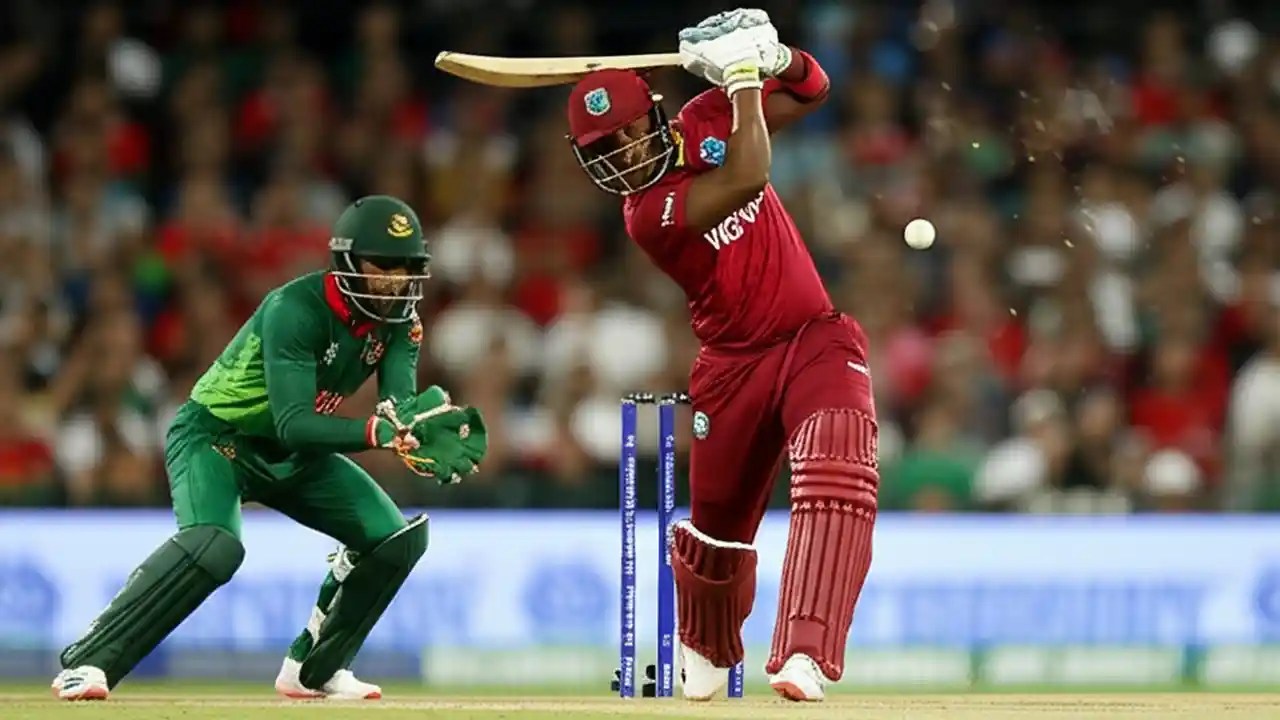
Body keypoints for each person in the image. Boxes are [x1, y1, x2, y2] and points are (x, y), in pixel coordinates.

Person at [51, 195, 487, 701]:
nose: (395, 280)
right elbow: (294, 424)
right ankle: (88, 662)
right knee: (215, 548)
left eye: (407, 268)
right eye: (382, 266)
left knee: (397, 539)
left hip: (293, 454)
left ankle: (314, 669)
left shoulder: (401, 321)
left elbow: (395, 405)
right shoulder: (294, 309)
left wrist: (411, 428)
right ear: (346, 263)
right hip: (216, 437)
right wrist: (376, 434)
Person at [566, 9, 876, 702]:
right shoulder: (646, 214)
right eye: (603, 152)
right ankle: (704, 645)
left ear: (653, 117)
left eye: (626, 137)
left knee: (838, 467)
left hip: (812, 337)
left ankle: (804, 654)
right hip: (732, 365)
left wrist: (774, 57)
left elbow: (814, 88)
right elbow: (746, 175)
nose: (623, 156)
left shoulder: (705, 117)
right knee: (718, 530)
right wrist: (740, 81)